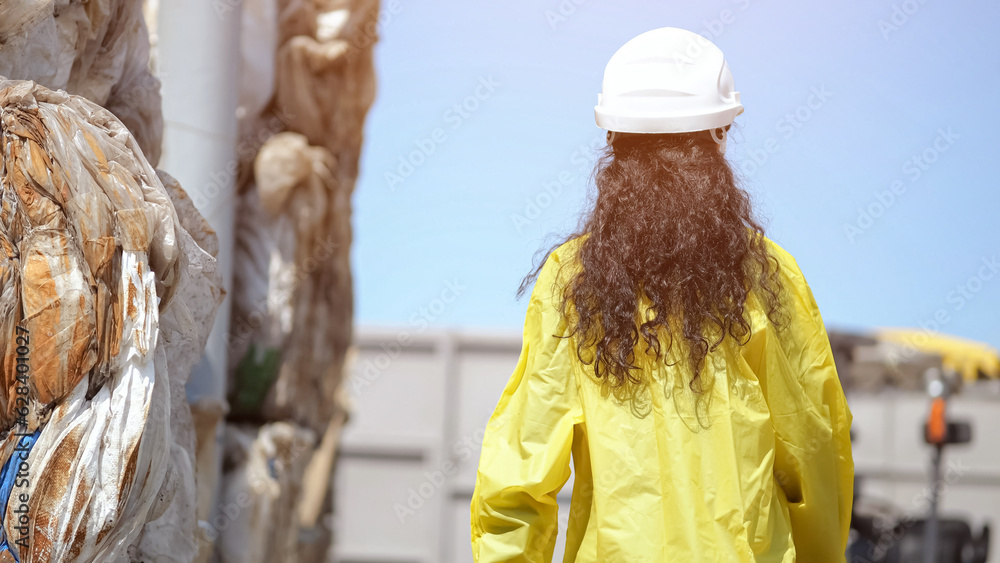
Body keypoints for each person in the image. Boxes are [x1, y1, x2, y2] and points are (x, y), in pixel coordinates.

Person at [470, 27, 854, 562]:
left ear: (612, 142)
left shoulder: (571, 281)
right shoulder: (769, 276)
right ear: (721, 132)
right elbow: (813, 451)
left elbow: (520, 474)